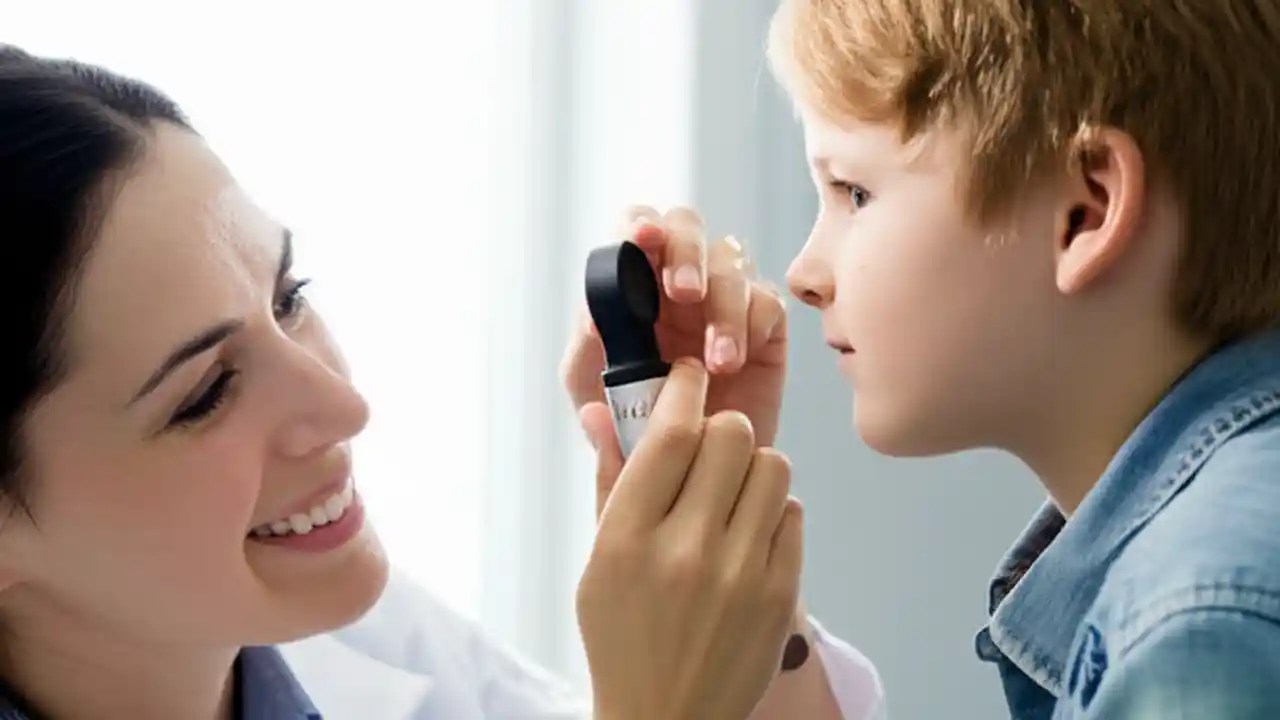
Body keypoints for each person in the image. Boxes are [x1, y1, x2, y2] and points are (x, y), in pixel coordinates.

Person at [0, 44, 886, 719]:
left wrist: (717, 537)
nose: (345, 406)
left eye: (290, 297)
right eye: (204, 394)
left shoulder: (354, 641)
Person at [565, 0, 1280, 717]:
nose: (804, 273)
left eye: (854, 192)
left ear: (1085, 212)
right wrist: (718, 552)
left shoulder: (1195, 633)